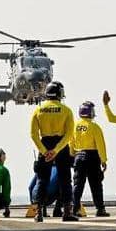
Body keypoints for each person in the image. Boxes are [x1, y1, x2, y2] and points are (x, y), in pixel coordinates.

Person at [30, 81, 77, 222]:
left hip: (44, 144)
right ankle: (67, 212)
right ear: (59, 94)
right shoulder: (66, 110)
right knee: (65, 180)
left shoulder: (38, 110)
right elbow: (69, 134)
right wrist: (56, 150)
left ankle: (38, 213)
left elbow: (33, 134)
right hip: (61, 146)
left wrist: (45, 151)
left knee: (42, 180)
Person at [71, 101, 110, 217]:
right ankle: (100, 209)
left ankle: (75, 209)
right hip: (92, 157)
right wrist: (103, 160)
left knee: (77, 184)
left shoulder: (75, 126)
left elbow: (70, 143)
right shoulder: (94, 127)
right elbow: (100, 145)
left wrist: (73, 156)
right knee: (96, 185)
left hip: (78, 156)